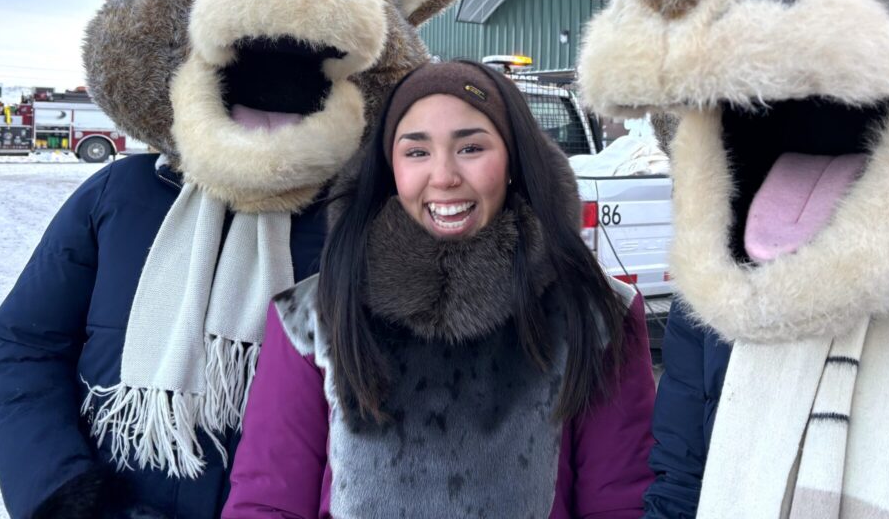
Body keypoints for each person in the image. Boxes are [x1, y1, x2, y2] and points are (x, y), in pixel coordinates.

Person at [223, 60, 655, 519]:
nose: (444, 175)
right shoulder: (313, 315)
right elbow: (268, 499)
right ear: (391, 168)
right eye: (416, 152)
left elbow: (621, 498)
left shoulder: (595, 314)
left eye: (470, 148)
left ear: (512, 160)